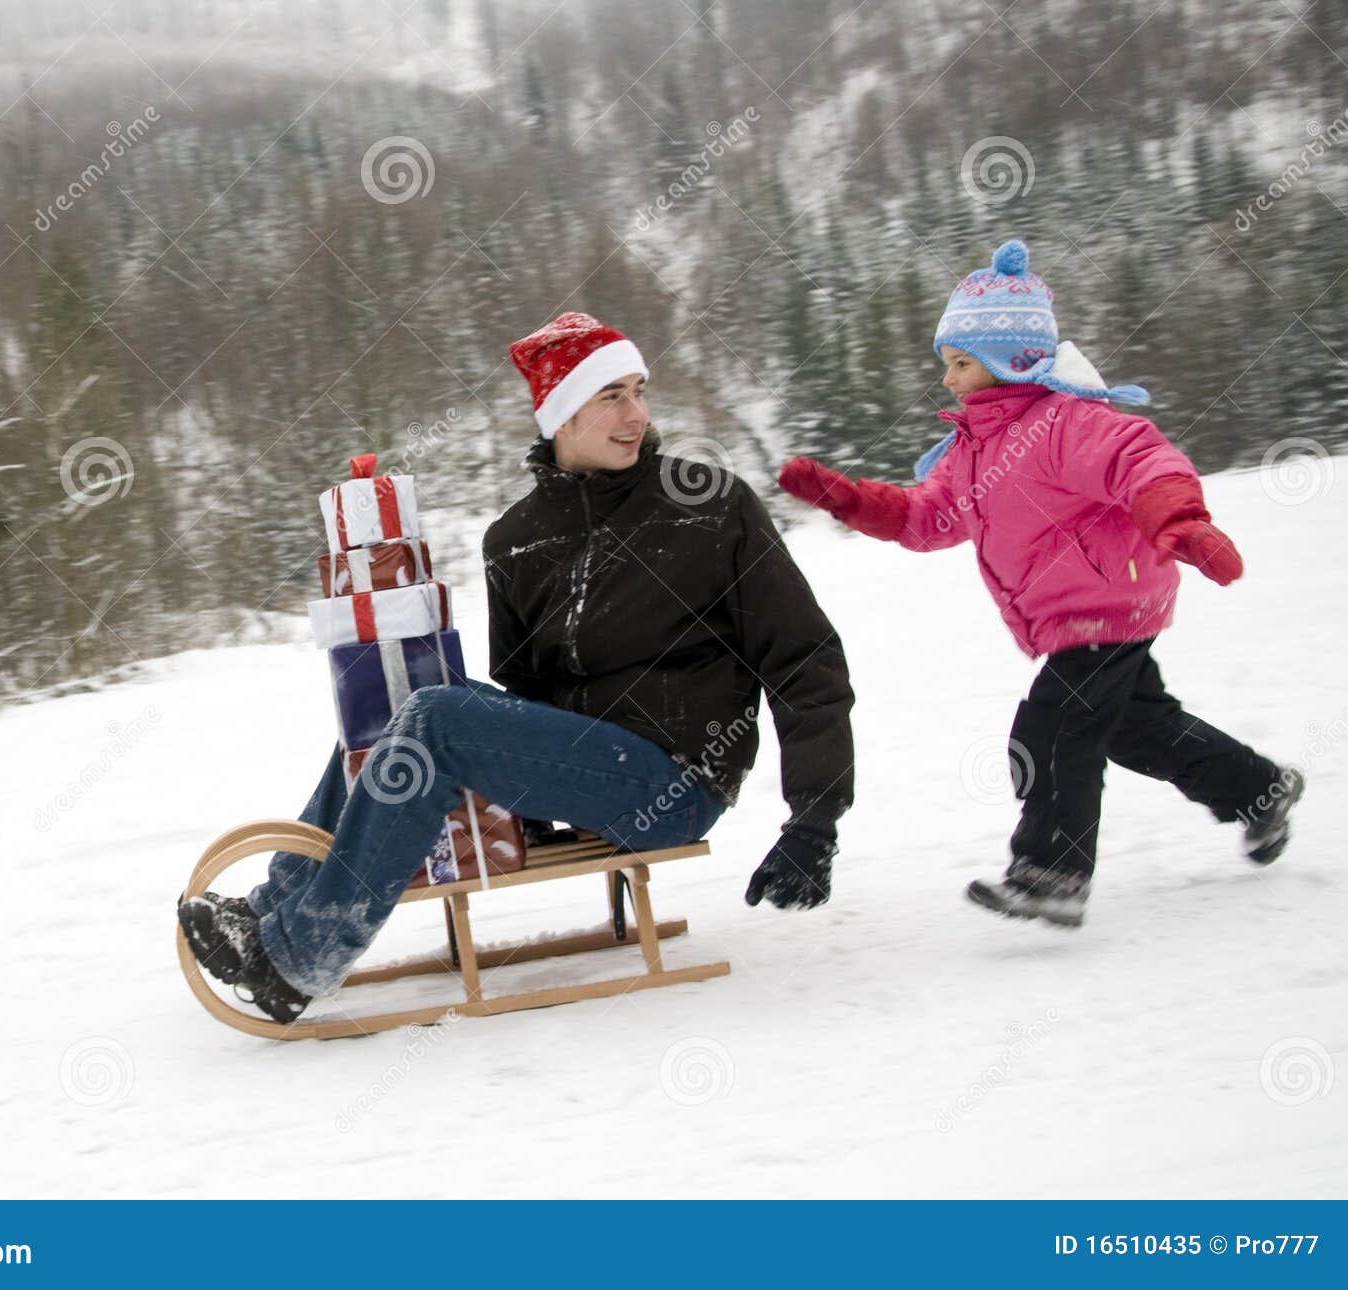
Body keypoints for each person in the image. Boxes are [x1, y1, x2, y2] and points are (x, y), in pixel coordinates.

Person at [178, 312, 856, 1022]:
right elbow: (528, 693)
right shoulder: (517, 539)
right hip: (590, 776)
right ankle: (272, 910)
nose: (637, 414)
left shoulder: (709, 505)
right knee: (409, 702)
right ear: (561, 416)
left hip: (677, 781)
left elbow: (805, 657)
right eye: (611, 397)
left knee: (435, 720)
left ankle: (299, 957)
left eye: (637, 390)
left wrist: (814, 822)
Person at [779, 239, 1302, 929]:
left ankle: (1051, 870)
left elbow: (1143, 461)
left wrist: (1180, 522)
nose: (948, 381)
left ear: (1008, 361)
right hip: (1077, 614)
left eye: (960, 364)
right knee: (1139, 729)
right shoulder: (973, 449)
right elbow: (924, 518)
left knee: (1052, 731)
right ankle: (1259, 790)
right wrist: (843, 497)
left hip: (1107, 602)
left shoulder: (1067, 423)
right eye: (948, 364)